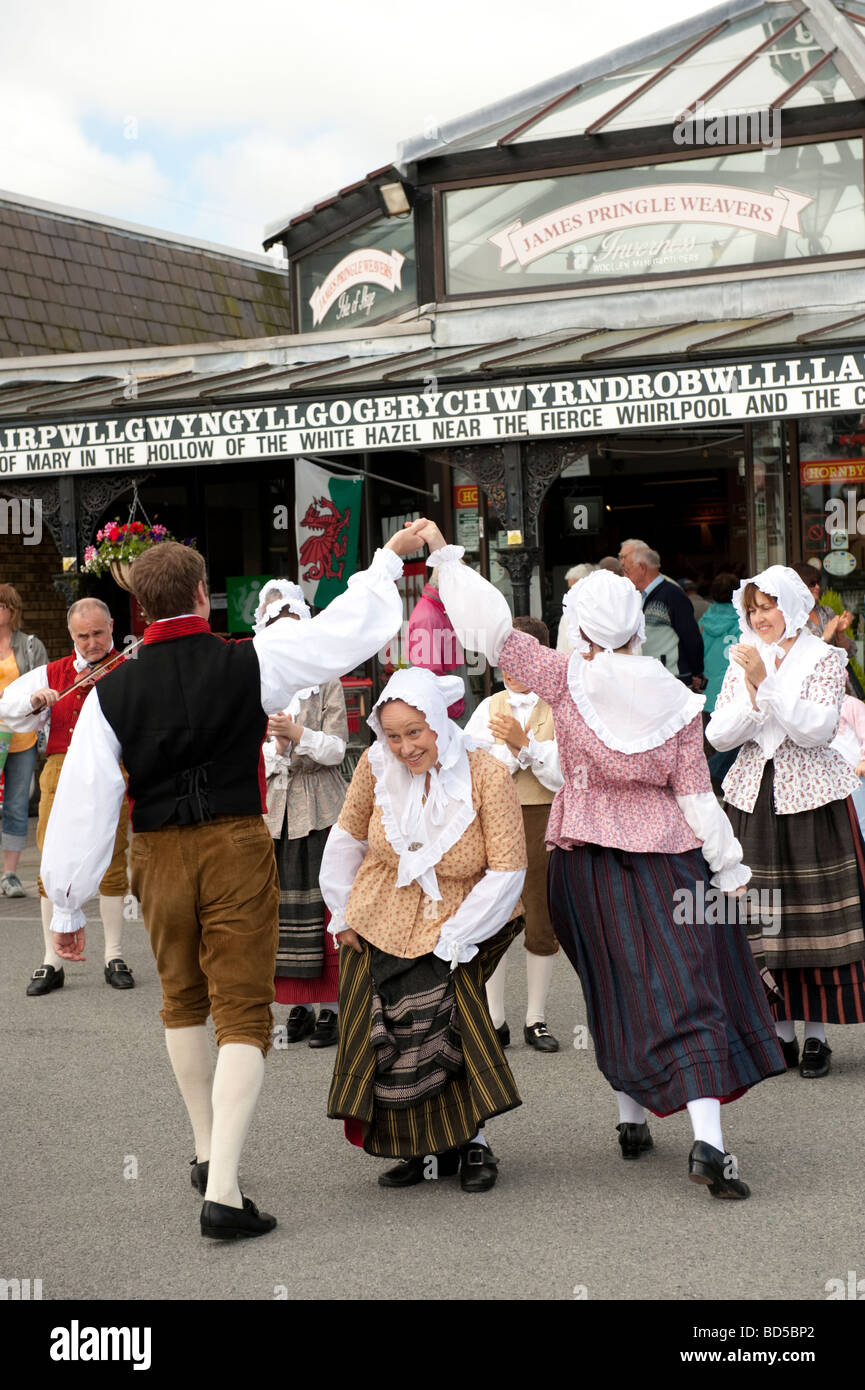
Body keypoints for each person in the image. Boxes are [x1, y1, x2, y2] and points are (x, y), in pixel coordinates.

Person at [39, 527, 423, 1241]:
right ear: (198, 595)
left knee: (182, 1000)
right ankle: (221, 1191)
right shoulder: (252, 661)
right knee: (243, 1012)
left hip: (157, 850)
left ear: (137, 607)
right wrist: (387, 559)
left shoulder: (109, 690)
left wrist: (66, 903)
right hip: (235, 841)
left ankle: (209, 1148)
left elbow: (85, 802)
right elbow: (344, 632)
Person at [422, 520, 785, 1200]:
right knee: (687, 989)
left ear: (582, 629)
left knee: (613, 984)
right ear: (635, 626)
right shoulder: (679, 700)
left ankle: (629, 1119)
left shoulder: (564, 678)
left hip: (583, 862)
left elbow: (495, 632)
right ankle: (708, 1141)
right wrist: (731, 872)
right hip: (670, 862)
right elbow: (697, 800)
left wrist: (445, 556)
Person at [321, 667, 527, 1193]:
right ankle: (422, 1147)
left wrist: (459, 934)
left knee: (453, 1026)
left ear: (438, 722)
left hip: (461, 913)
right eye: (393, 735)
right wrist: (341, 913)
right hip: (379, 910)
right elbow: (345, 839)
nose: (405, 747)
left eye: (415, 732)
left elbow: (508, 868)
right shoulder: (373, 765)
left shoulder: (486, 773)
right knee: (389, 1030)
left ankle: (474, 1142)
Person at [707, 565, 865, 1081]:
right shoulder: (743, 655)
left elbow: (816, 730)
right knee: (760, 918)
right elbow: (720, 734)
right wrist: (754, 697)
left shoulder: (825, 656)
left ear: (792, 606)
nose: (760, 617)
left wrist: (766, 686)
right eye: (753, 609)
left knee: (813, 919)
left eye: (768, 607)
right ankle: (779, 1034)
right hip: (754, 795)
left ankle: (817, 1037)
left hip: (813, 799)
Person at [0, 598, 134, 995]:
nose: (92, 643)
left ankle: (114, 953)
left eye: (99, 633)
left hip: (112, 768)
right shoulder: (53, 671)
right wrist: (34, 701)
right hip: (60, 768)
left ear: (112, 626)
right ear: (70, 634)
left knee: (113, 858)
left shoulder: (130, 669)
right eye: (83, 636)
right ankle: (51, 961)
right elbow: (8, 708)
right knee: (51, 862)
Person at [256, 580, 348, 1049]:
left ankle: (331, 1010)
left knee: (326, 904)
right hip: (276, 812)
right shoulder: (259, 688)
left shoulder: (326, 680)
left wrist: (298, 734)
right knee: (283, 911)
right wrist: (276, 750)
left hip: (321, 807)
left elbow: (336, 749)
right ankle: (297, 1006)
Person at [465, 616, 563, 1052]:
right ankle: (495, 1018)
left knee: (541, 917)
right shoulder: (487, 709)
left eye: (519, 659)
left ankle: (536, 1019)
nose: (509, 668)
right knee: (497, 914)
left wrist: (525, 746)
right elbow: (470, 771)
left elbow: (566, 774)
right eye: (504, 659)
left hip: (544, 816)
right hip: (497, 819)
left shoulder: (560, 707)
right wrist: (511, 755)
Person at [0, 584, 47, 897]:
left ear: (11, 610)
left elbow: (44, 685)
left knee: (17, 805)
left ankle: (10, 874)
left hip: (21, 740)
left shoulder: (30, 646)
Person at [618, 540, 704, 689]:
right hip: (651, 679)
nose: (625, 577)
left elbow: (691, 638)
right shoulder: (639, 596)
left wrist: (697, 672)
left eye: (628, 571)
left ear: (642, 568)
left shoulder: (672, 594)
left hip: (673, 680)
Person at [700, 572, 742, 786]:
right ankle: (727, 782)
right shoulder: (744, 620)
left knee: (712, 743)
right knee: (735, 741)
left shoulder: (704, 621)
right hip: (734, 691)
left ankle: (709, 781)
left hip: (708, 692)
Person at [407, 577, 467, 718]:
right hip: (448, 714)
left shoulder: (437, 611)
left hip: (450, 710)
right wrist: (456, 709)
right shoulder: (428, 616)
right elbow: (429, 676)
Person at [556, 564, 594, 653]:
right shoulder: (566, 617)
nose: (571, 592)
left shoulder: (603, 612)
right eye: (570, 588)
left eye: (575, 588)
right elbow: (562, 651)